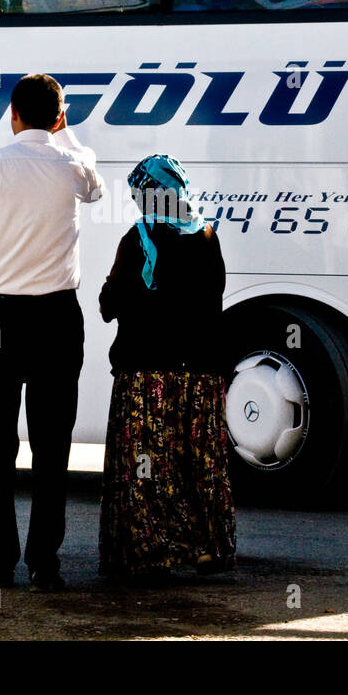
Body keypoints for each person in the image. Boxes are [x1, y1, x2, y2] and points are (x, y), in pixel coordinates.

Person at [0, 73, 105, 592]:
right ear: (60, 117)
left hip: (0, 318)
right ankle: (45, 562)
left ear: (11, 114)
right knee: (52, 443)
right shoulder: (73, 165)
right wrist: (62, 133)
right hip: (59, 319)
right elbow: (96, 186)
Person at [98, 155, 236, 580]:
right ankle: (205, 547)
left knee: (148, 462)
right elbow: (214, 299)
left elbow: (109, 306)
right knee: (199, 461)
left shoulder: (138, 239)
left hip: (147, 375)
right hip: (201, 373)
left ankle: (152, 549)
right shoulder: (209, 236)